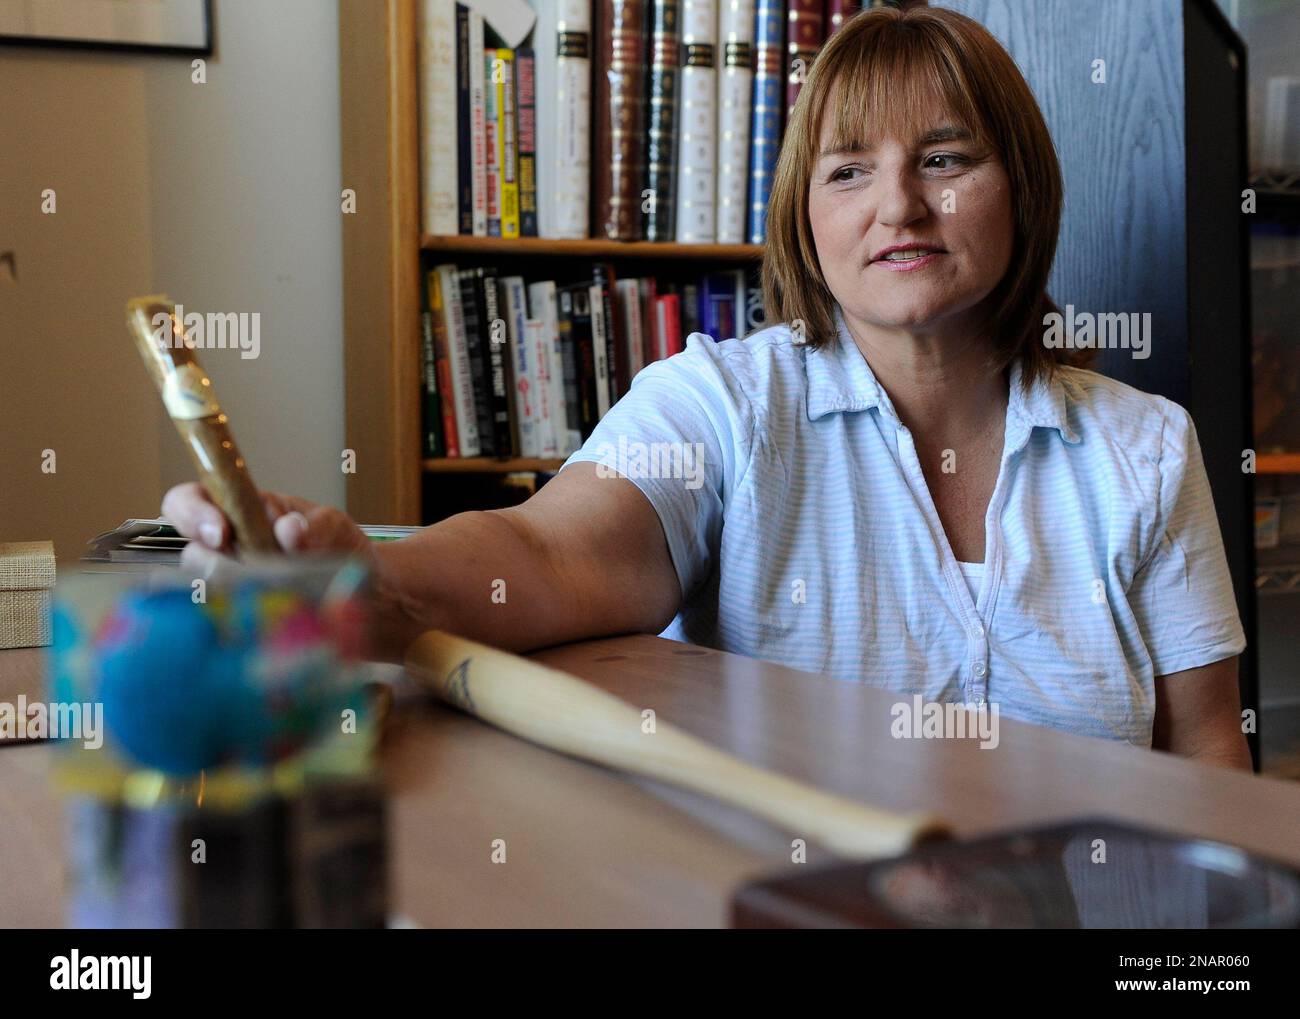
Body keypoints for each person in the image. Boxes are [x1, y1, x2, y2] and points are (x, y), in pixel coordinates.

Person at [163, 6, 1250, 768]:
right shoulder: (720, 403)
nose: (898, 207)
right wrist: (363, 575)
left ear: (1024, 185)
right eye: (847, 170)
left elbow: (1205, 751)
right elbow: (545, 550)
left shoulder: (1145, 447)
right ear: (803, 217)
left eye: (947, 157)